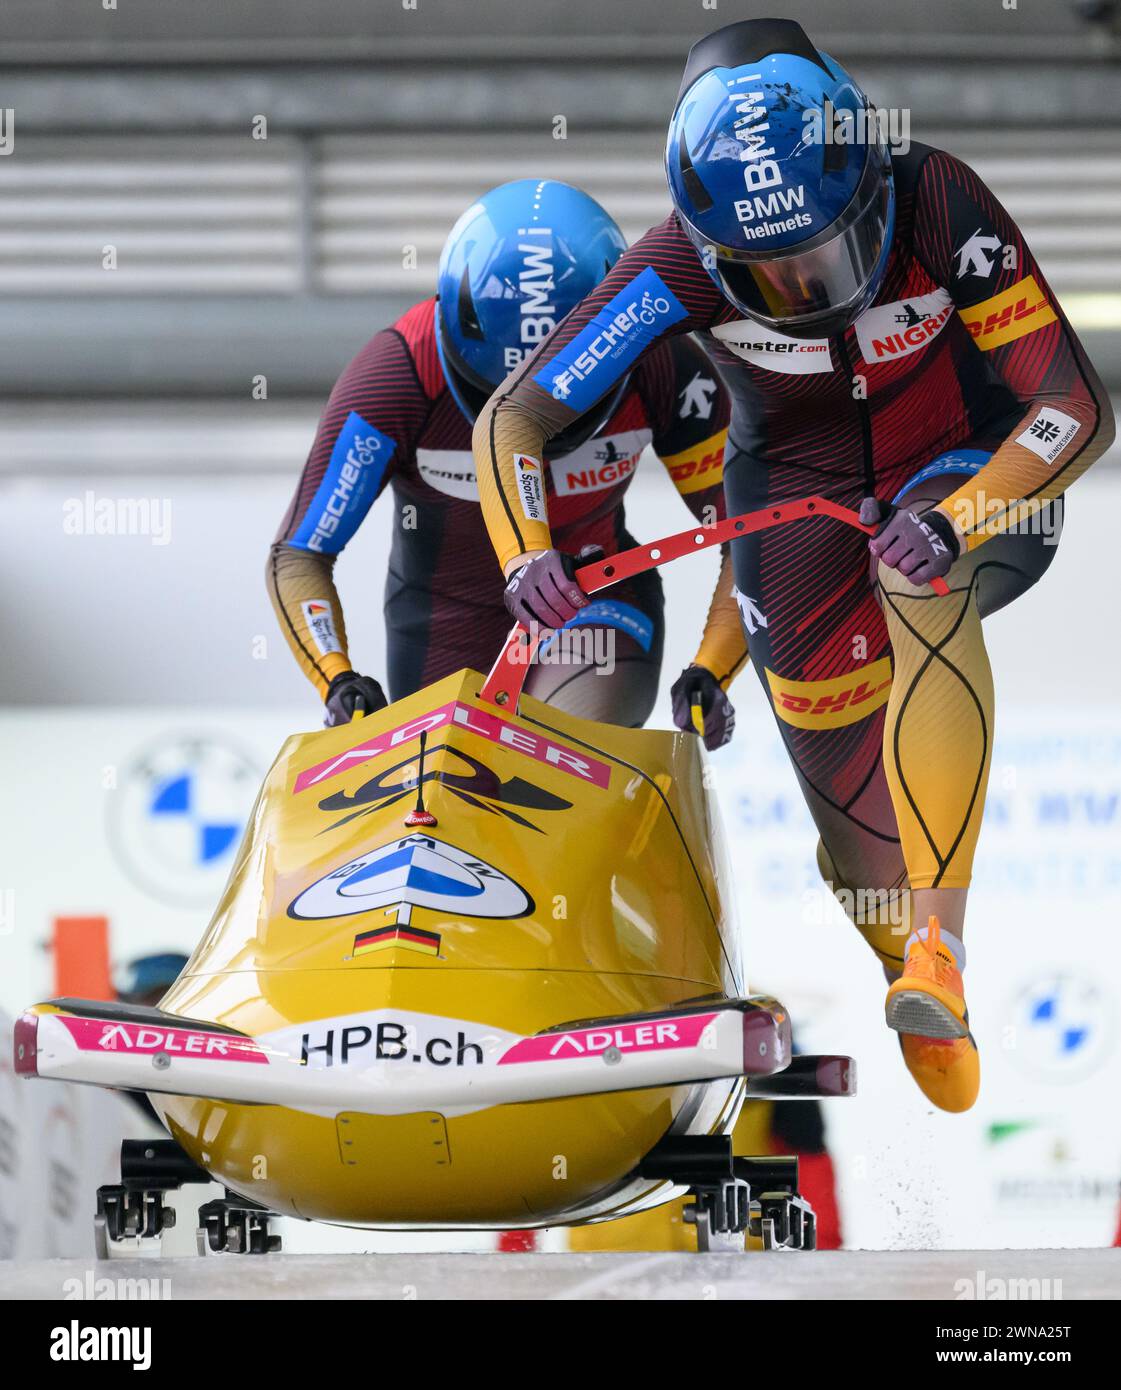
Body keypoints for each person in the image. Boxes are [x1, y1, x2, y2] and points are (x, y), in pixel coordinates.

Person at [472, 20, 1114, 1113]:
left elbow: (1073, 407)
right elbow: (514, 415)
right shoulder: (672, 259)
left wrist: (960, 517)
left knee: (918, 578)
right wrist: (523, 545)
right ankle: (901, 967)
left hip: (973, 462)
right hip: (792, 495)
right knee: (852, 827)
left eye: (823, 251)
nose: (805, 283)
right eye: (763, 276)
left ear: (866, 185)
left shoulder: (936, 197)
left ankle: (935, 949)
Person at [267, 179, 739, 742]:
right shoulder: (397, 377)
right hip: (444, 626)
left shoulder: (662, 362)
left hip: (594, 606)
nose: (538, 429)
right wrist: (336, 678)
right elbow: (300, 553)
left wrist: (712, 666)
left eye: (564, 400)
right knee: (457, 809)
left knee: (564, 759)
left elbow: (743, 528)